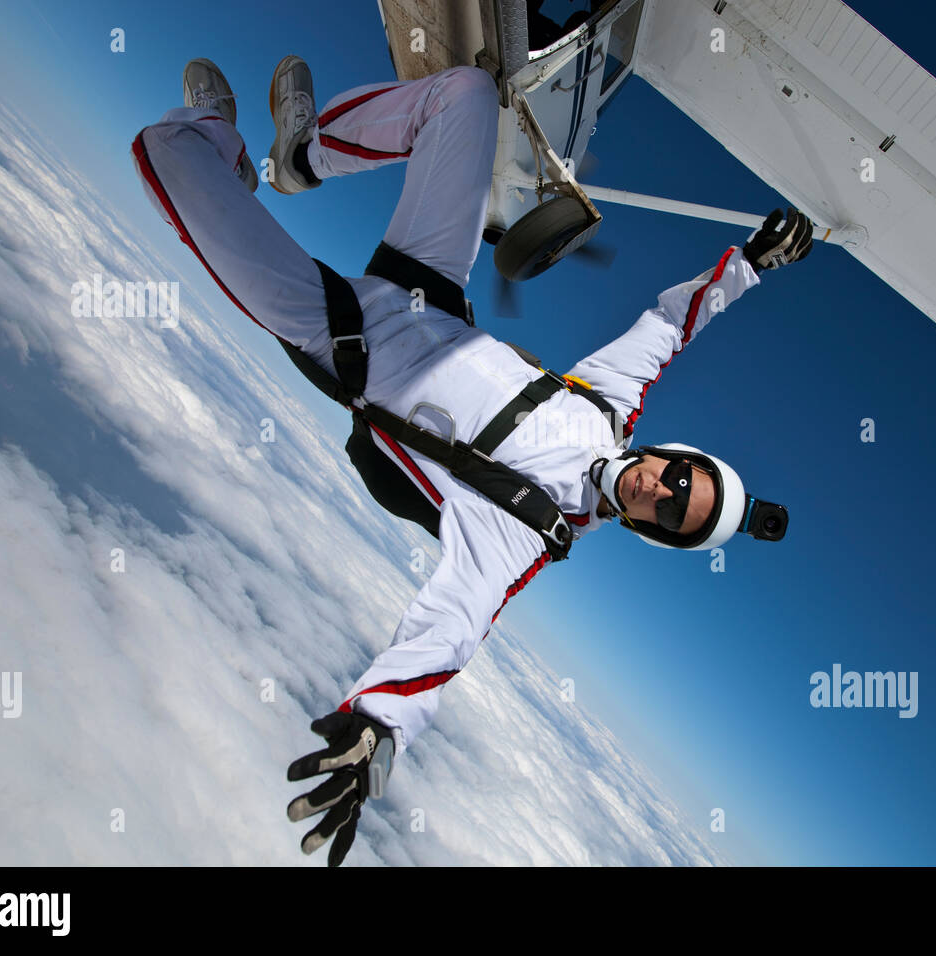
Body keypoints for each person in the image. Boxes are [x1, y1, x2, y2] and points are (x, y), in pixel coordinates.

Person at [132, 56, 813, 865]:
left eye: (670, 512)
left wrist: (377, 724)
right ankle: (299, 158)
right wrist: (752, 267)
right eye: (680, 478)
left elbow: (453, 628)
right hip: (426, 291)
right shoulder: (610, 410)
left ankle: (219, 141)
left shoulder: (531, 530)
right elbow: (671, 325)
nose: (660, 489)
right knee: (466, 97)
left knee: (164, 151)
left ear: (651, 533)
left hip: (336, 333)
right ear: (674, 454)